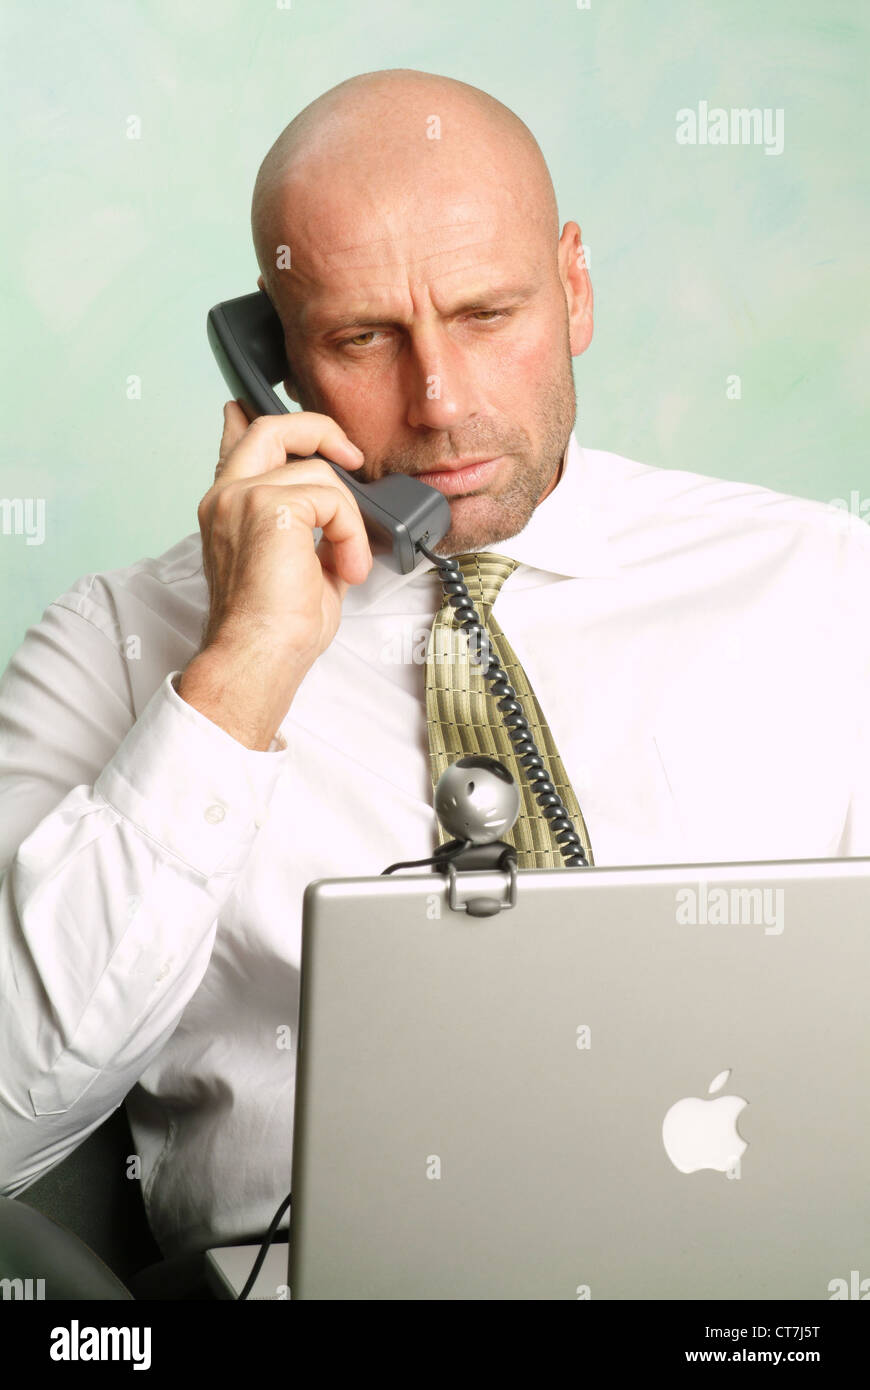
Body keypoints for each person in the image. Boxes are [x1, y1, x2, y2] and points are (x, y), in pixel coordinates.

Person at [1, 68, 867, 1276]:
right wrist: (246, 665)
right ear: (271, 356)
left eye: (487, 315)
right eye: (362, 337)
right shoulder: (119, 642)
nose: (440, 401)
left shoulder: (826, 582)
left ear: (574, 287)